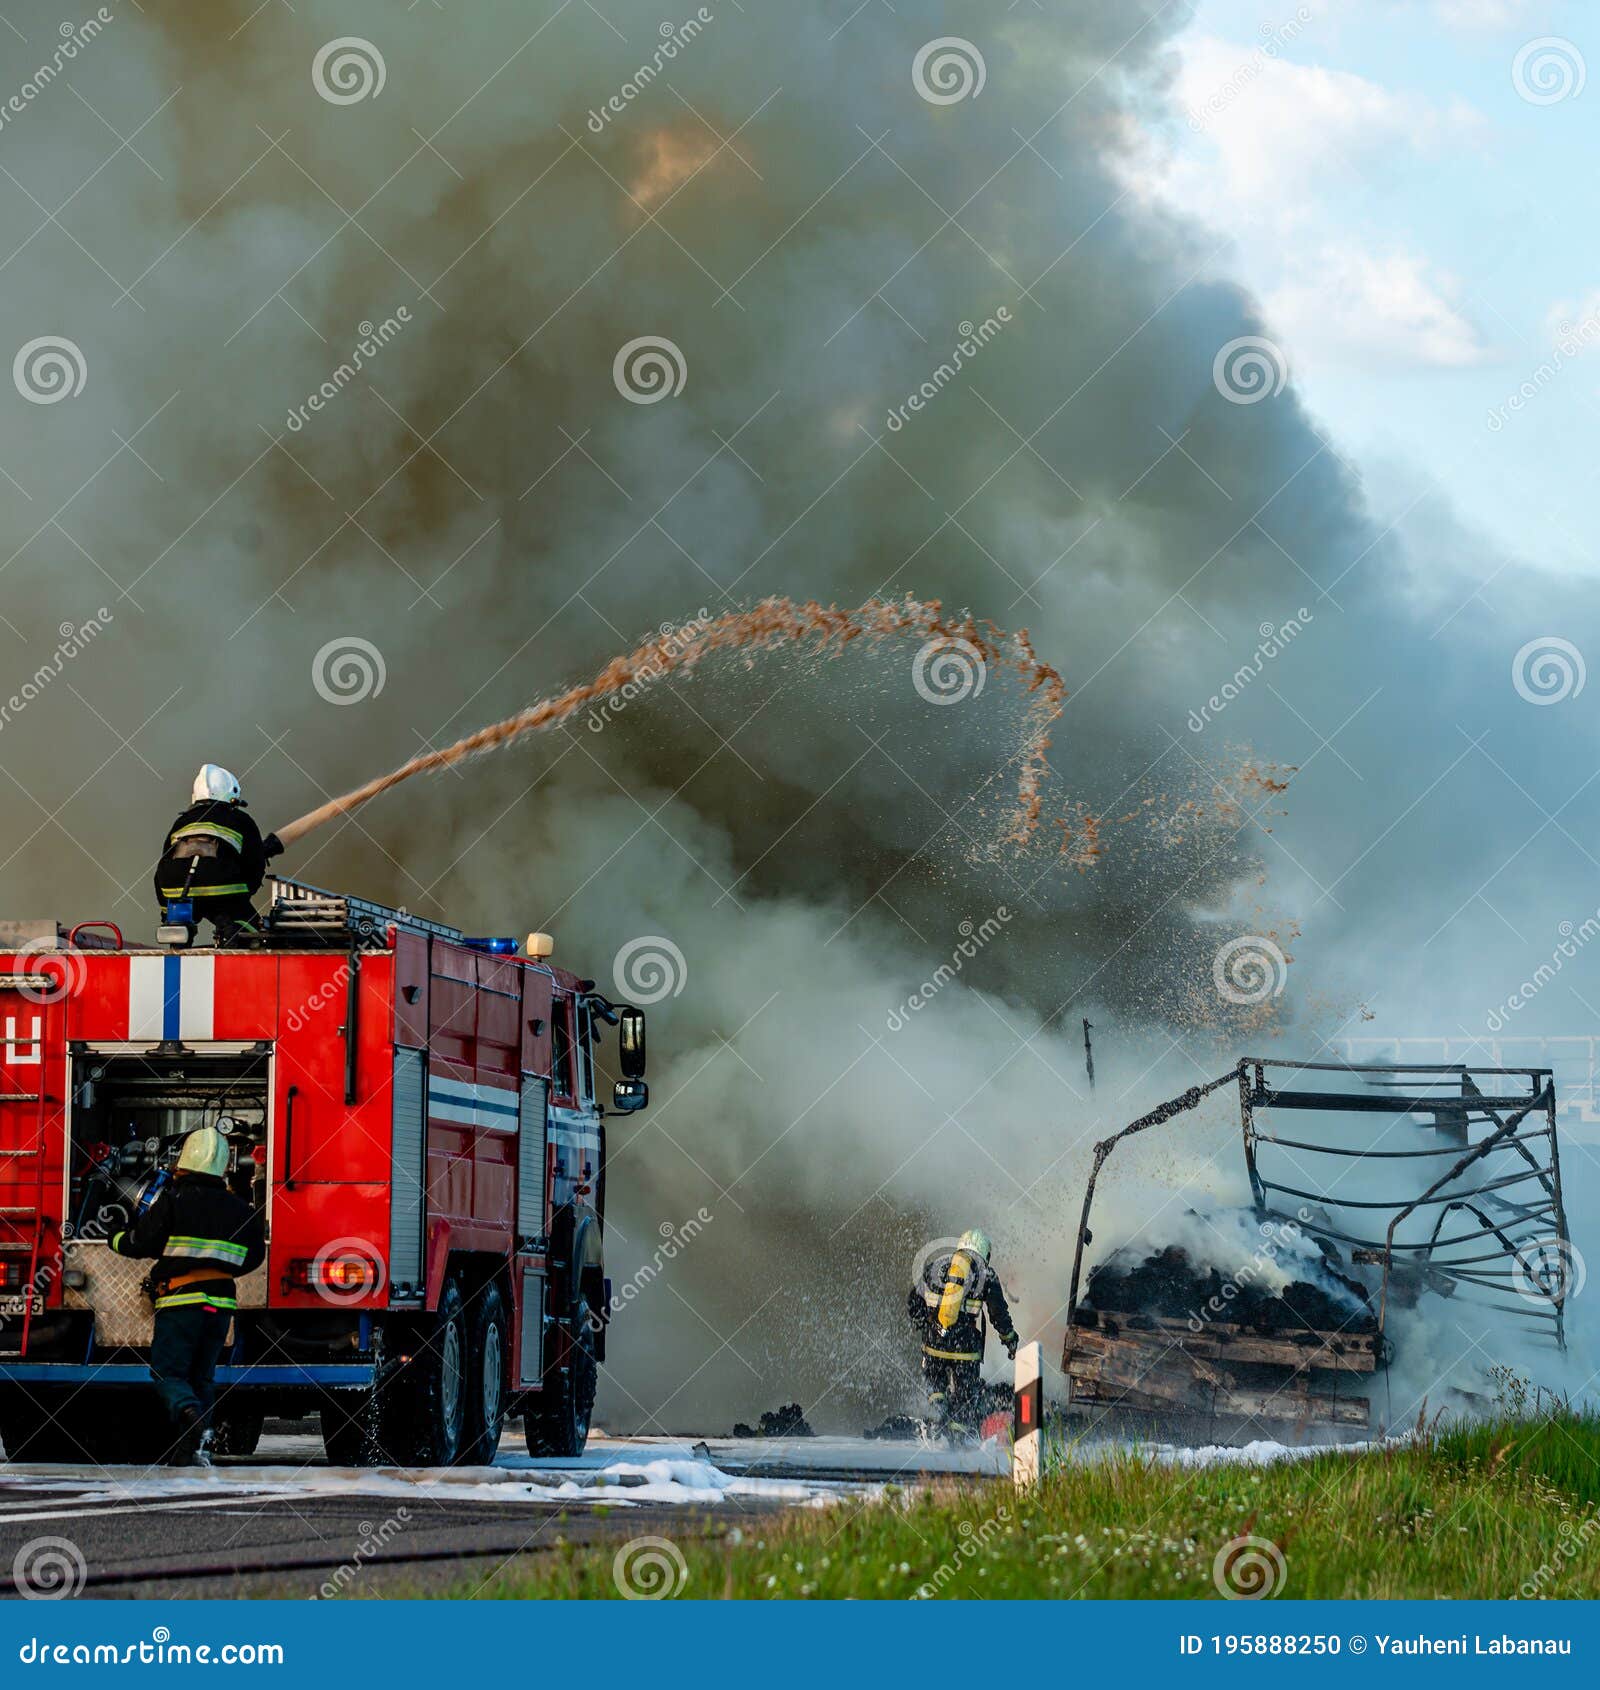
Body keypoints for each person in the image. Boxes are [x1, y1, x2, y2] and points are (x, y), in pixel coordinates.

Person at [111, 1125, 265, 1466]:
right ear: (223, 1168)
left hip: (181, 1302)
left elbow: (141, 1243)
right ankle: (193, 1449)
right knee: (202, 1377)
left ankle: (188, 1411)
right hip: (221, 1306)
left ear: (183, 1163)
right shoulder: (239, 1209)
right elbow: (255, 1256)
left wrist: (115, 1237)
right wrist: (221, 1268)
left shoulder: (173, 1200)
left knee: (168, 1374)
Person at [907, 1228, 1020, 1439]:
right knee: (964, 1398)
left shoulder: (936, 1266)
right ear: (984, 1253)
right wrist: (1010, 1339)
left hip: (934, 1344)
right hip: (965, 1350)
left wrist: (925, 1325)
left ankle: (936, 1425)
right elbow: (998, 1314)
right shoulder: (986, 1274)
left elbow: (914, 1301)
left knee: (935, 1387)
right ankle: (958, 1439)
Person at [154, 765, 284, 945]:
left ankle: (178, 934)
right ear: (232, 798)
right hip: (221, 888)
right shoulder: (240, 819)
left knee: (181, 920)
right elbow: (254, 866)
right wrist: (242, 898)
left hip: (176, 891)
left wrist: (167, 913)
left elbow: (164, 861)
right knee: (251, 931)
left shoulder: (181, 822)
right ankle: (235, 933)